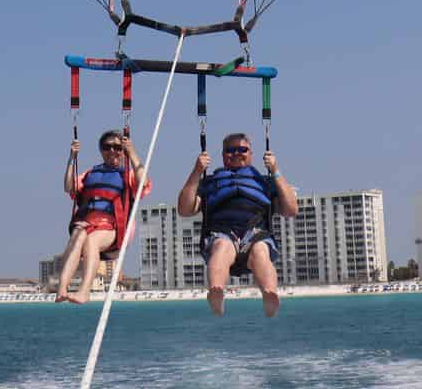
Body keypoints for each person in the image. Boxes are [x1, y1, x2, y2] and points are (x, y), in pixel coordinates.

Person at [177, 132, 298, 316]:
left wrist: (275, 171)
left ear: (251, 153)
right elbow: (185, 209)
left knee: (260, 252)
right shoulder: (210, 182)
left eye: (242, 149)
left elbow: (291, 210)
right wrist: (196, 172)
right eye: (230, 150)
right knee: (222, 247)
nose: (236, 153)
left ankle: (269, 293)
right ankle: (216, 291)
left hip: (256, 232)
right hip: (222, 231)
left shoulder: (266, 182)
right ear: (223, 154)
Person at [55, 130, 147, 304]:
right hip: (87, 221)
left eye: (117, 147)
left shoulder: (127, 175)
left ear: (123, 151)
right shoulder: (91, 174)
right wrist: (71, 158)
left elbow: (143, 182)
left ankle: (84, 292)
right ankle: (62, 289)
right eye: (107, 147)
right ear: (101, 150)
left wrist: (132, 153)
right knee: (77, 236)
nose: (112, 151)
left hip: (113, 228)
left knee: (90, 241)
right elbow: (69, 187)